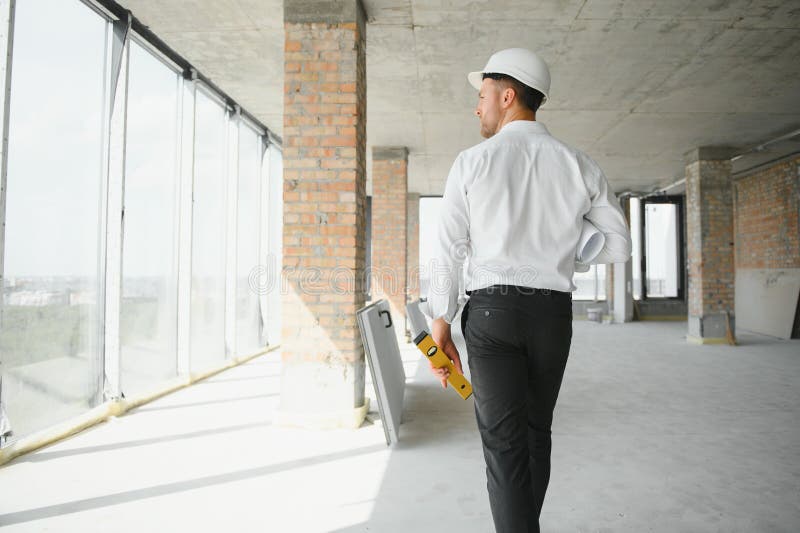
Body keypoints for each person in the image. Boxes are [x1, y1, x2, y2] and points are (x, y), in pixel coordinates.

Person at [423, 48, 632, 533]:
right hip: (551, 316)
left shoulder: (472, 162)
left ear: (508, 95)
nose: (478, 107)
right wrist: (563, 247)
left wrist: (440, 322)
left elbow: (449, 249)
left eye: (482, 96)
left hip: (493, 314)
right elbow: (617, 244)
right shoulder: (577, 164)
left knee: (504, 446)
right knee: (535, 436)